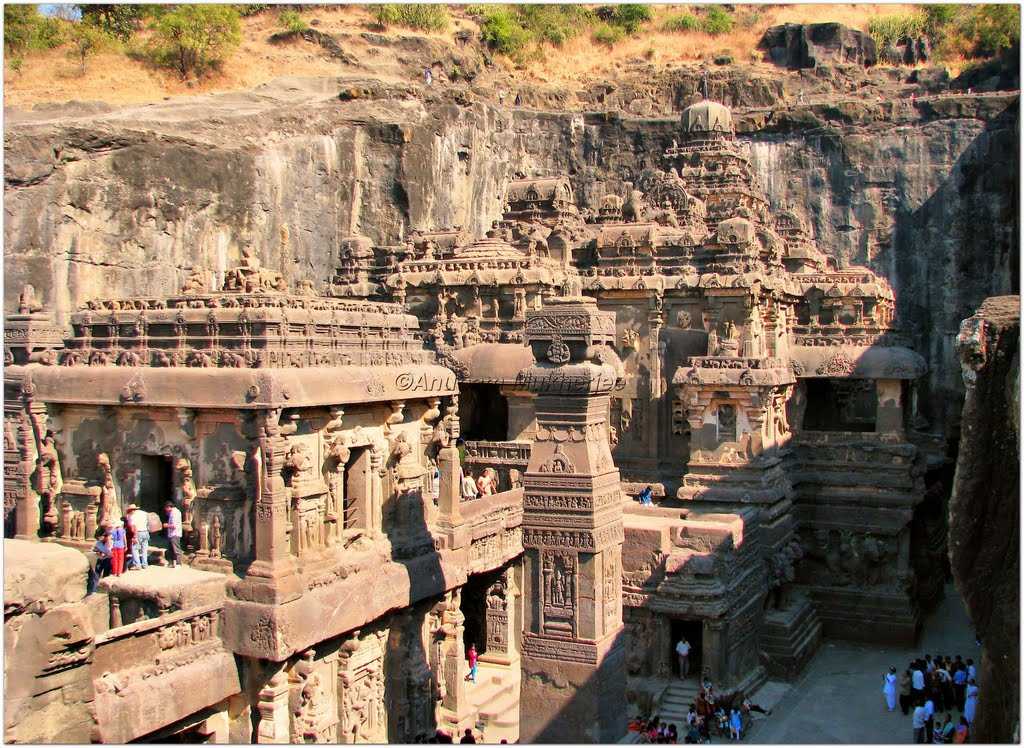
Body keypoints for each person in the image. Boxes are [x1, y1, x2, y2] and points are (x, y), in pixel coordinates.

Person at [128, 504, 150, 570]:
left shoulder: (132, 516)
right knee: (144, 549)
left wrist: (134, 536)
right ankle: (145, 564)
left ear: (131, 510)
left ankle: (137, 564)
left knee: (135, 548)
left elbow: (133, 527)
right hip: (146, 532)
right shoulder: (144, 513)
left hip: (138, 533)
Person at [163, 501, 183, 568]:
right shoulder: (172, 512)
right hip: (171, 534)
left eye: (166, 508)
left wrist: (166, 525)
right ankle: (171, 563)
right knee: (171, 549)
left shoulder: (175, 513)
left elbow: (174, 525)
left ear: (169, 507)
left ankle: (178, 563)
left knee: (176, 549)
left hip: (175, 533)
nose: (165, 510)